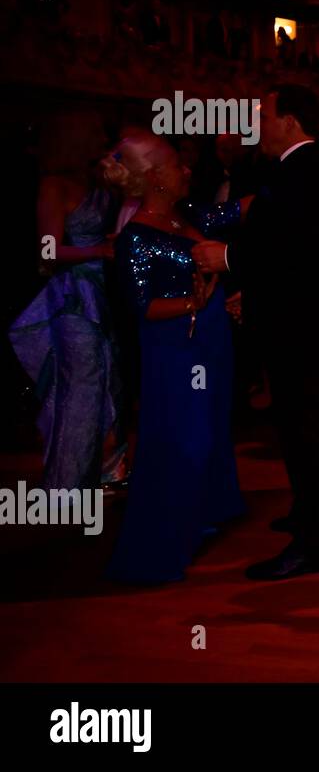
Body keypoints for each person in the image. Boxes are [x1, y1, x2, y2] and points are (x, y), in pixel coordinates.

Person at [192, 85, 319, 580]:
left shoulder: (309, 169)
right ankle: (309, 514)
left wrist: (230, 259)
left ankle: (314, 543)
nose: (255, 124)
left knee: (304, 429)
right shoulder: (301, 167)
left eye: (264, 114)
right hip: (295, 316)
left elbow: (302, 249)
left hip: (300, 322)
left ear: (291, 122)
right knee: (295, 425)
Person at [101, 131, 246, 583]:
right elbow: (142, 307)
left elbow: (237, 211)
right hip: (176, 350)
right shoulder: (136, 238)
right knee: (184, 438)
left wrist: (224, 301)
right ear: (154, 178)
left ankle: (205, 513)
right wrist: (195, 305)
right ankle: (166, 533)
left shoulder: (186, 215)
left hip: (209, 340)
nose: (187, 170)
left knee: (213, 428)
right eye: (176, 166)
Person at [9, 110, 127, 490]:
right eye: (94, 131)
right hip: (73, 299)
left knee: (109, 381)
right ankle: (67, 485)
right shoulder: (53, 186)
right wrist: (101, 251)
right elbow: (48, 251)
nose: (101, 138)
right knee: (82, 390)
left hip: (102, 295)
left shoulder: (97, 181)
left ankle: (106, 469)